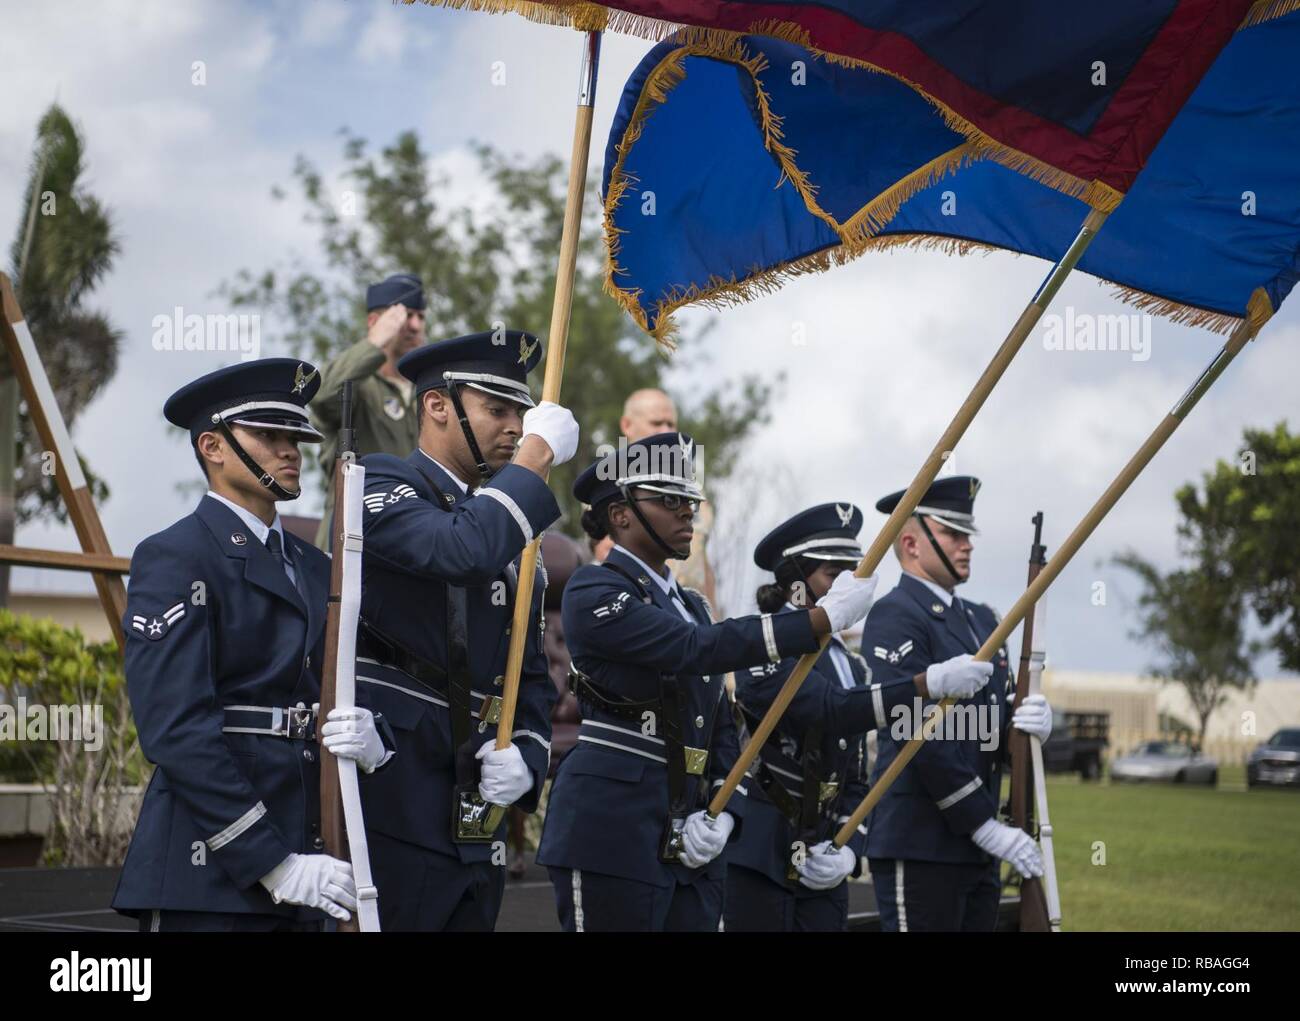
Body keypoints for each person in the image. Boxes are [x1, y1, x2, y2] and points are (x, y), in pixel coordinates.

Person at [535, 433, 879, 931]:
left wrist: (724, 806)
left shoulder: (693, 606)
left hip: (690, 834)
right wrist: (817, 621)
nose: (688, 511)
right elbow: (694, 650)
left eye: (690, 500)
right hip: (612, 826)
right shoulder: (595, 588)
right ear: (620, 514)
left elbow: (720, 719)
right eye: (670, 500)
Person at [113, 358, 391, 932]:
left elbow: (342, 682)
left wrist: (375, 740)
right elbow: (175, 730)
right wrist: (270, 860)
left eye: (295, 437)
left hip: (312, 860)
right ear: (213, 447)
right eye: (268, 436)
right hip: (213, 871)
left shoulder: (318, 567)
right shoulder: (176, 556)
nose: (289, 450)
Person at [351, 330, 580, 930]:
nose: (514, 427)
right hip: (394, 794)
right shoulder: (380, 483)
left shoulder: (511, 533)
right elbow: (456, 549)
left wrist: (529, 755)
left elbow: (529, 676)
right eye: (496, 409)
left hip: (477, 816)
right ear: (436, 406)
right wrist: (535, 460)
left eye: (522, 414)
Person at [726, 502, 994, 931]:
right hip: (760, 851)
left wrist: (850, 848)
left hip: (823, 860)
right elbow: (832, 711)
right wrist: (925, 683)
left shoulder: (847, 663)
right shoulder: (766, 645)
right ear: (797, 579)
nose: (848, 587)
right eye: (834, 575)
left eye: (852, 575)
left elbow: (855, 775)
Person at [859, 476, 1054, 931]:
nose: (967, 545)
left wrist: (1030, 729)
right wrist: (982, 824)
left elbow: (990, 725)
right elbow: (916, 729)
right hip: (921, 841)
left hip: (977, 849)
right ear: (910, 542)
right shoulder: (895, 616)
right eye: (953, 533)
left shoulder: (982, 620)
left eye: (968, 535)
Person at [309, 273, 429, 549]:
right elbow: (322, 394)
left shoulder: (428, 392)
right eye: (404, 315)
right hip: (354, 537)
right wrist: (375, 342)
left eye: (421, 317)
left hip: (416, 538)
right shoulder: (358, 388)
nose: (415, 325)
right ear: (375, 321)